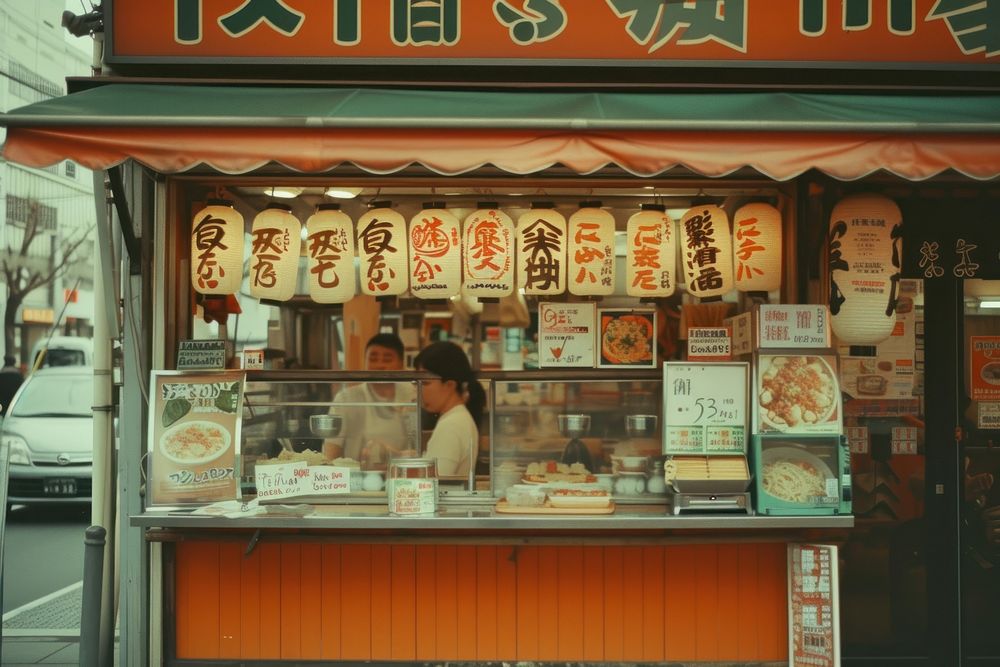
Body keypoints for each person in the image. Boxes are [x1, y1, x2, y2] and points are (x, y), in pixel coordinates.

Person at [326, 333, 415, 466]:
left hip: (403, 476)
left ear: (401, 364)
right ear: (365, 361)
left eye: (387, 359)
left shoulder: (412, 394)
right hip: (357, 478)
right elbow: (331, 449)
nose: (379, 365)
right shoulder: (347, 399)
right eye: (373, 359)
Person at [413, 341, 485, 478]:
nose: (418, 389)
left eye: (425, 383)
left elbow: (432, 483)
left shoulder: (451, 425)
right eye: (416, 383)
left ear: (450, 385)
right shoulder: (457, 418)